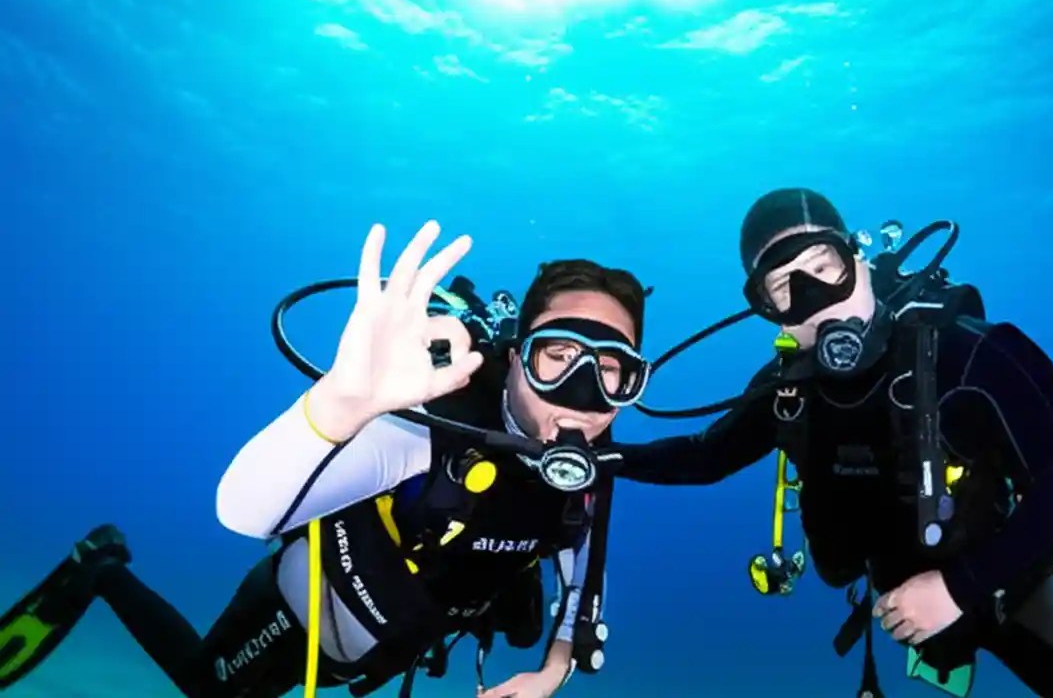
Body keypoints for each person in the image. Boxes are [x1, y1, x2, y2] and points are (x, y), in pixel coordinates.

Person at [0, 220, 652, 698]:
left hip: (389, 642)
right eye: (558, 358)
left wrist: (553, 669)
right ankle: (103, 567)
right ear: (515, 359)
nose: (582, 397)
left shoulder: (588, 483)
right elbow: (242, 510)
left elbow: (580, 590)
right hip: (301, 612)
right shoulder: (431, 431)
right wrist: (338, 407)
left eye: (613, 372)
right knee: (210, 689)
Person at [613, 189, 1053, 698]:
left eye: (823, 265)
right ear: (769, 310)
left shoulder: (968, 353)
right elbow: (706, 456)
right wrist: (598, 459)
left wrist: (956, 589)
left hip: (1000, 583)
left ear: (857, 257)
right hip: (897, 605)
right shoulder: (787, 390)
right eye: (785, 288)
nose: (815, 299)